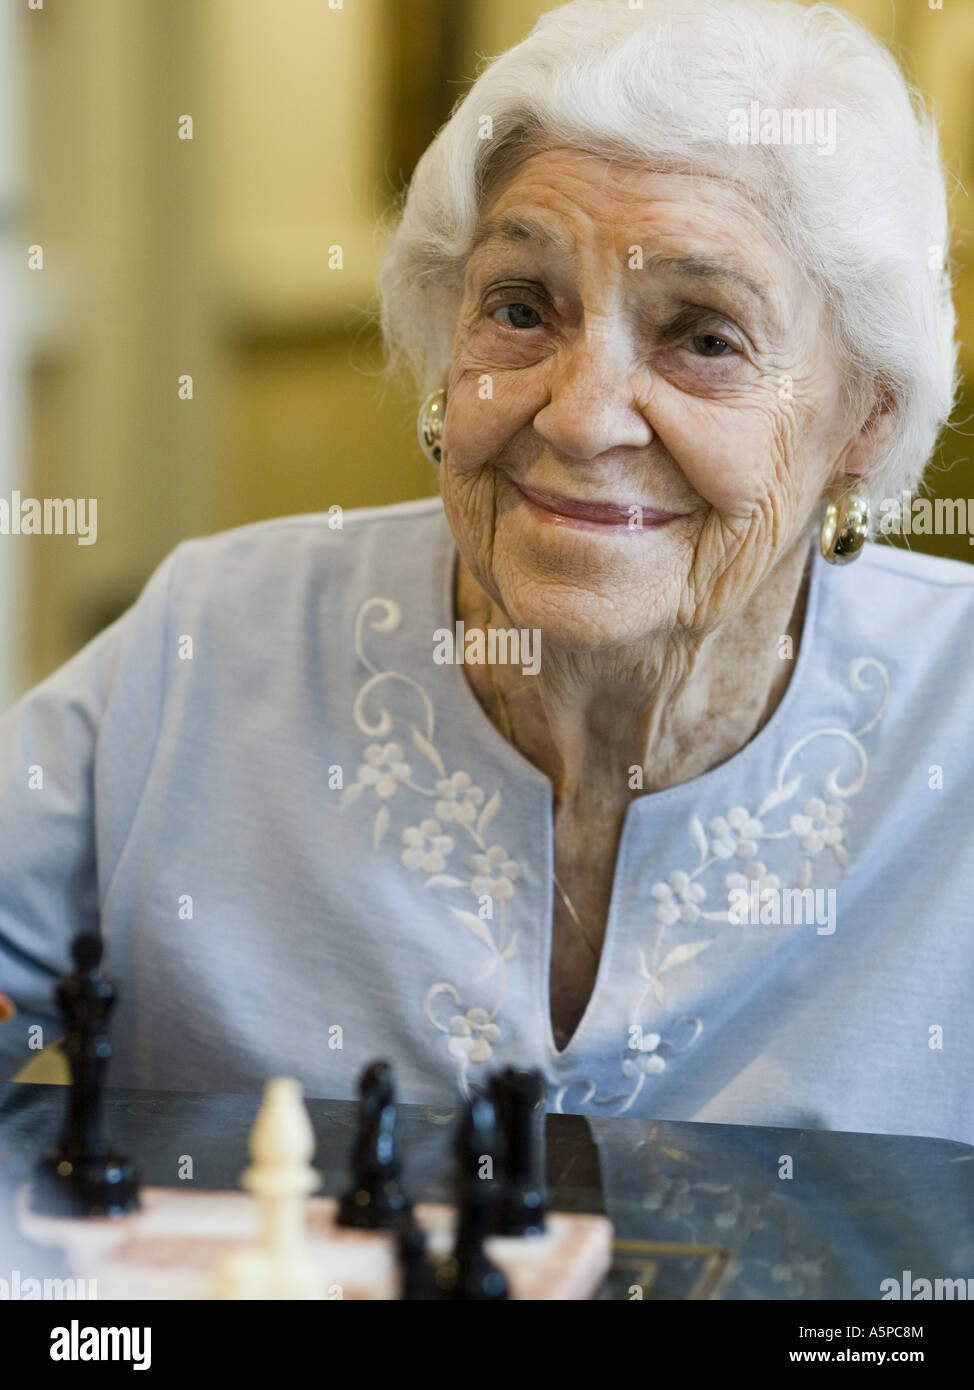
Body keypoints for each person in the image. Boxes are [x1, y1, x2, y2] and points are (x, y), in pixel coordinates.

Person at [1, 0, 972, 1144]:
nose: (581, 415)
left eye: (703, 336)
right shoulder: (210, 639)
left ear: (861, 423)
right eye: (520, 308)